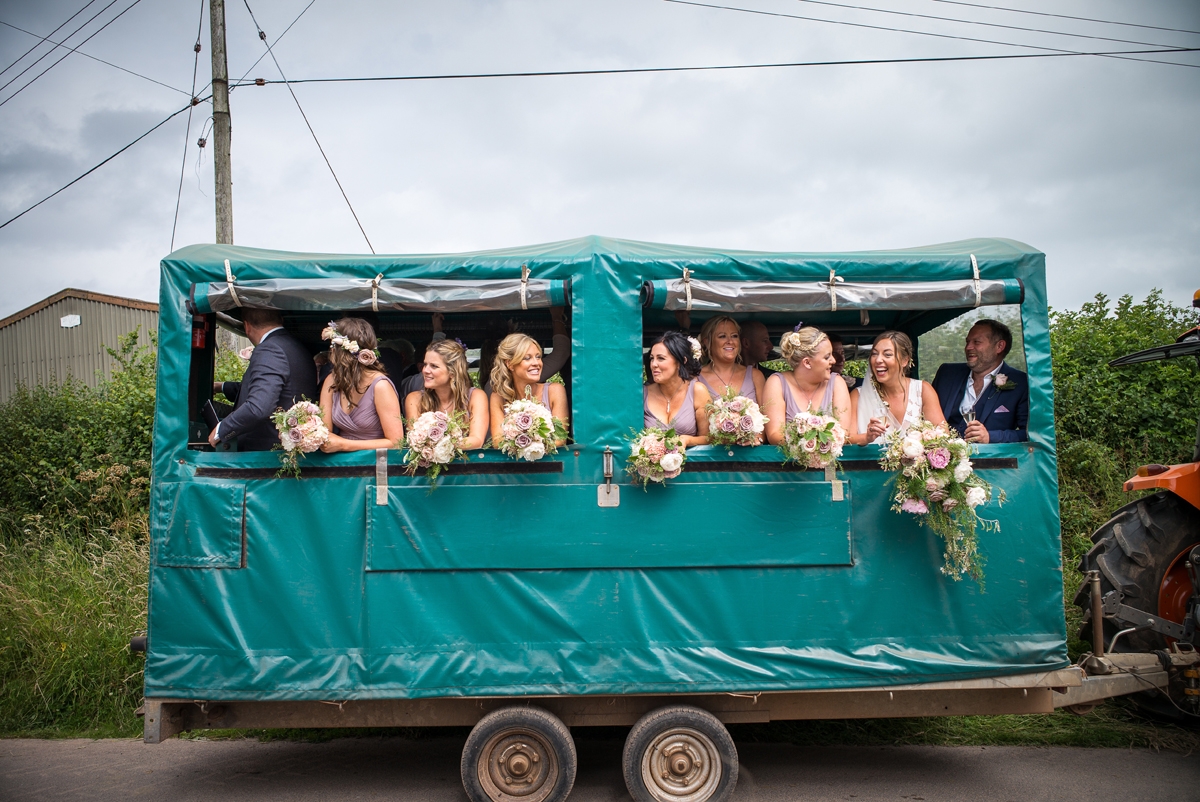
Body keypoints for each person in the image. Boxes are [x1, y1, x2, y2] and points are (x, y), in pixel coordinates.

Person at [209, 308, 318, 451]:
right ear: (281, 320)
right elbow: (267, 388)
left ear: (247, 326)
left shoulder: (270, 349)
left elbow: (259, 407)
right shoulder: (297, 347)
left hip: (266, 452)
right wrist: (220, 386)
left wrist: (221, 430)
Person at [931, 319, 1029, 444]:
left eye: (976, 342)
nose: (968, 347)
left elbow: (1028, 433)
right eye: (967, 342)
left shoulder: (1020, 383)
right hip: (941, 459)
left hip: (989, 461)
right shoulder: (947, 373)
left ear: (999, 346)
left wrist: (990, 437)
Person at [316, 318, 403, 453]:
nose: (330, 352)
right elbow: (324, 432)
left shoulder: (380, 386)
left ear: (339, 350)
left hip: (375, 464)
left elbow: (396, 442)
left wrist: (344, 444)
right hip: (340, 465)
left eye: (332, 346)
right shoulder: (331, 380)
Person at [849, 331, 945, 445]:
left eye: (887, 354)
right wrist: (867, 437)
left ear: (905, 360)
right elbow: (847, 438)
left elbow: (943, 437)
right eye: (874, 354)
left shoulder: (923, 390)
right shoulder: (858, 395)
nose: (878, 360)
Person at [763, 327, 852, 446]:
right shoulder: (777, 383)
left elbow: (843, 433)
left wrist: (817, 445)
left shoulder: (837, 383)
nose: (833, 361)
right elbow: (775, 434)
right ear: (807, 363)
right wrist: (806, 443)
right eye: (827, 357)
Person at [404, 339, 489, 449]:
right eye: (425, 364)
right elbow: (414, 440)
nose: (425, 370)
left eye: (434, 366)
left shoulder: (475, 397)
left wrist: (440, 445)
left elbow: (476, 440)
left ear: (452, 372)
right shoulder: (414, 399)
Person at [488, 333, 570, 447]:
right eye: (527, 358)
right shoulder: (498, 397)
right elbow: (498, 443)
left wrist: (529, 446)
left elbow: (560, 440)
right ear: (510, 364)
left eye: (538, 357)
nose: (537, 363)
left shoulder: (555, 391)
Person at [643, 331, 711, 447]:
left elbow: (709, 438)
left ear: (681, 361)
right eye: (651, 358)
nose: (653, 364)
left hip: (693, 465)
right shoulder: (643, 393)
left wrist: (688, 440)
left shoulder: (697, 391)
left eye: (661, 358)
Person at [697, 316, 766, 403]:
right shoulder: (696, 378)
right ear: (707, 342)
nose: (730, 341)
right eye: (722, 336)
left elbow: (766, 414)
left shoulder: (755, 376)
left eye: (734, 336)